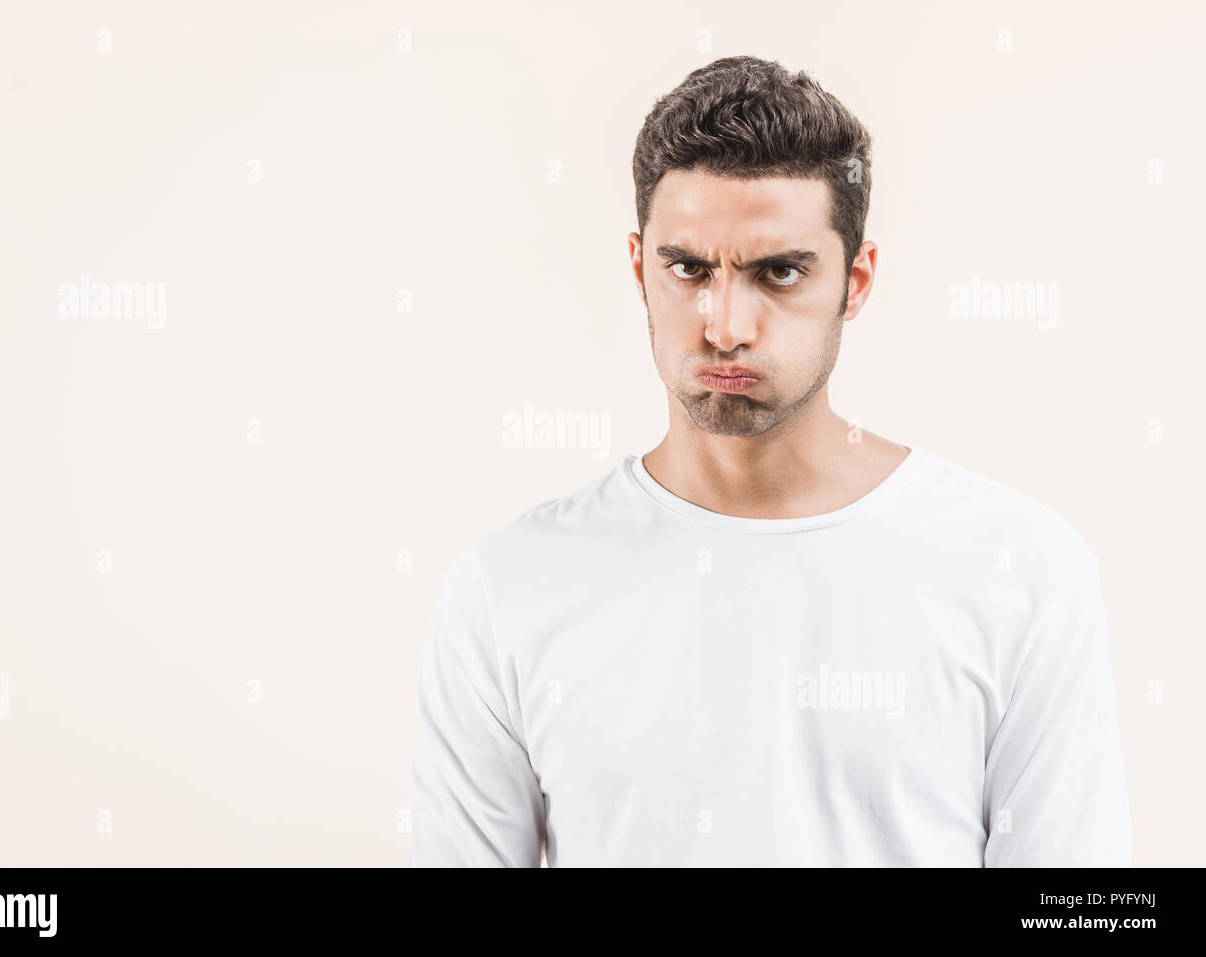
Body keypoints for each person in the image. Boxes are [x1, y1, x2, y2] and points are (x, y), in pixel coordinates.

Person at [407, 55, 1132, 867]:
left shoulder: (1020, 572)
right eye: (688, 269)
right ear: (640, 269)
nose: (725, 325)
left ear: (855, 282)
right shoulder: (509, 588)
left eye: (778, 271)